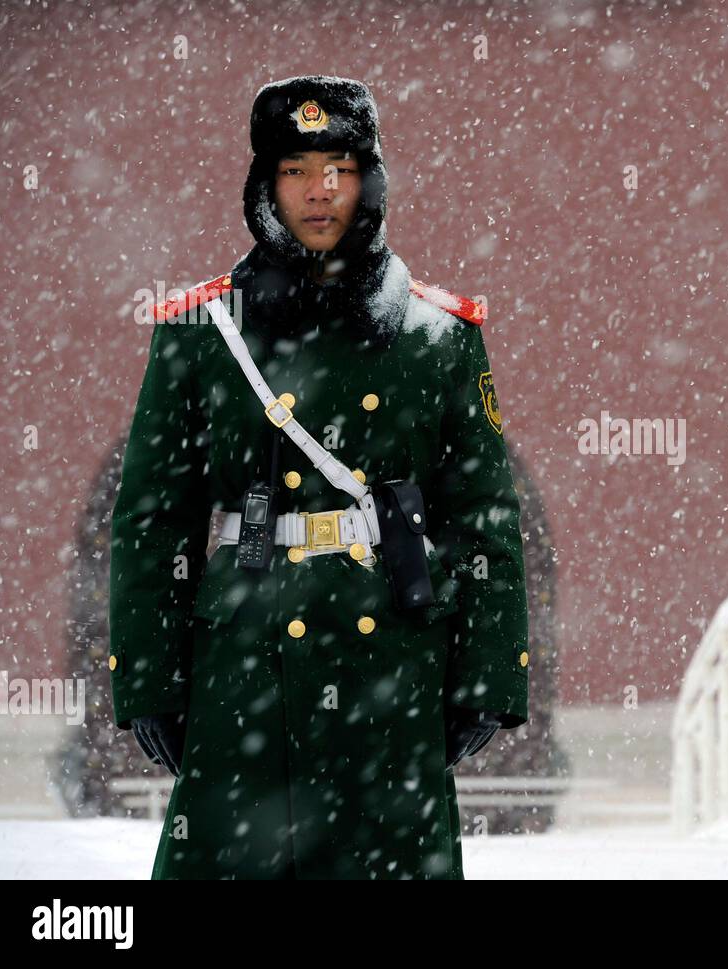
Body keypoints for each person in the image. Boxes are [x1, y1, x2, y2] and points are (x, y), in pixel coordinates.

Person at [108, 74, 530, 879]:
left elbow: (483, 514)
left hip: (388, 668)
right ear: (265, 184)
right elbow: (152, 518)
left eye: (338, 166)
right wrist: (151, 678)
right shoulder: (203, 332)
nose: (319, 191)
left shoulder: (438, 335)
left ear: (368, 179)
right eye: (296, 169)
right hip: (243, 663)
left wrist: (487, 675)